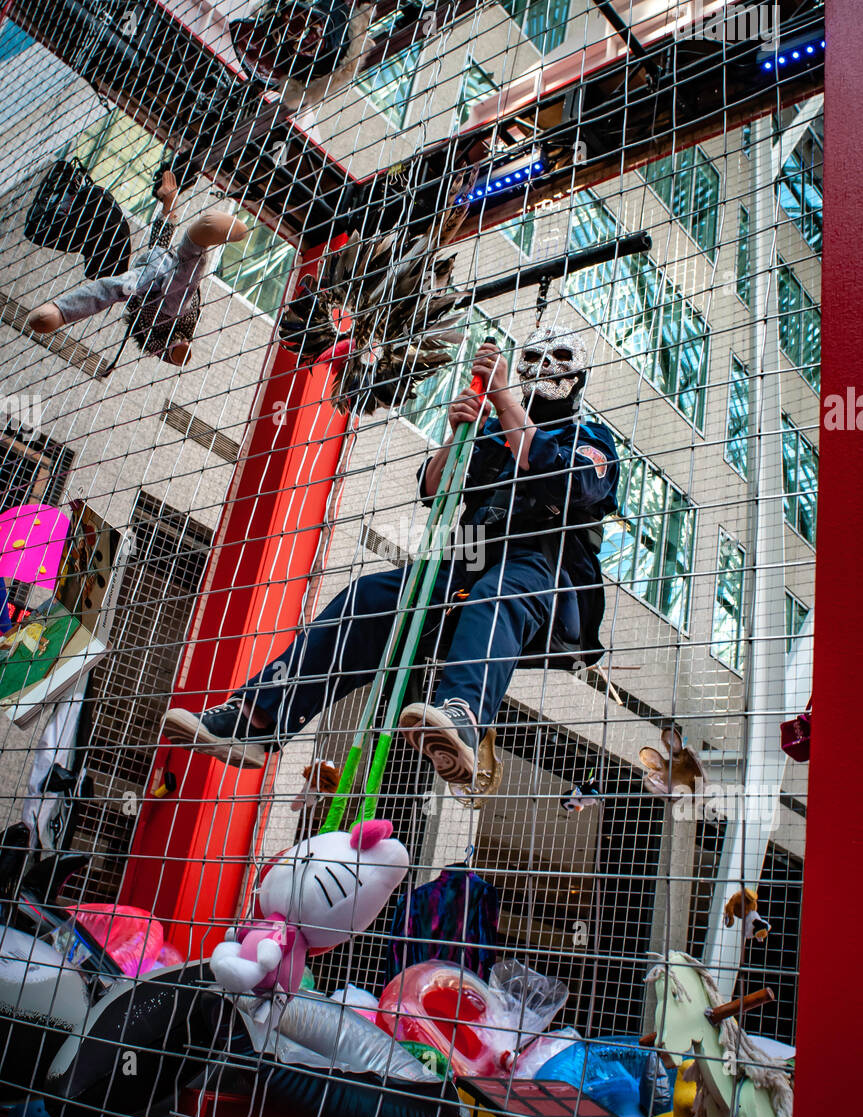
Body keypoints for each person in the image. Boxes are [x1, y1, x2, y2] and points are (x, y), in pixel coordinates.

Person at [162, 324, 620, 784]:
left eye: (559, 357)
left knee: (496, 593)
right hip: (472, 559)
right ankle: (256, 718)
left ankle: (460, 717)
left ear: (579, 373)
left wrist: (504, 400)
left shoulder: (591, 437)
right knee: (368, 596)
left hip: (540, 567)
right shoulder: (494, 431)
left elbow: (571, 481)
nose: (543, 368)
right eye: (534, 357)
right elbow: (434, 486)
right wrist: (457, 434)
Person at [25, 172, 247, 366]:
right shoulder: (175, 313)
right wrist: (170, 207)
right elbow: (160, 246)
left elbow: (158, 344)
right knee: (159, 282)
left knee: (124, 288)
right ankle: (196, 236)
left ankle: (61, 311)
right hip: (159, 277)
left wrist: (176, 349)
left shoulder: (155, 327)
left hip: (155, 299)